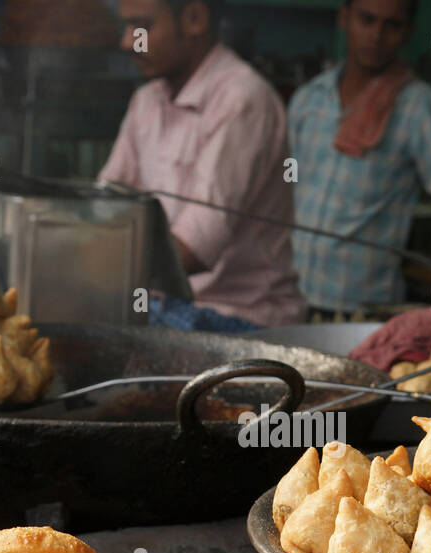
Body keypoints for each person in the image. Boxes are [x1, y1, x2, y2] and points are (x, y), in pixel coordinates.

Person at [100, 0, 304, 328]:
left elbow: (193, 250)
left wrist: (87, 260)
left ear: (194, 18)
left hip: (237, 322)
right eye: (126, 26)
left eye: (143, 26)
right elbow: (106, 205)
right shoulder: (147, 101)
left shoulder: (242, 99)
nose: (128, 42)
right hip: (164, 307)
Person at [288, 0, 431, 317]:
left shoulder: (418, 106)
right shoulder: (309, 99)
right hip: (293, 296)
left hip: (362, 309)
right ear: (344, 18)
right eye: (367, 20)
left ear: (408, 32)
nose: (376, 35)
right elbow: (285, 194)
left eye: (392, 25)